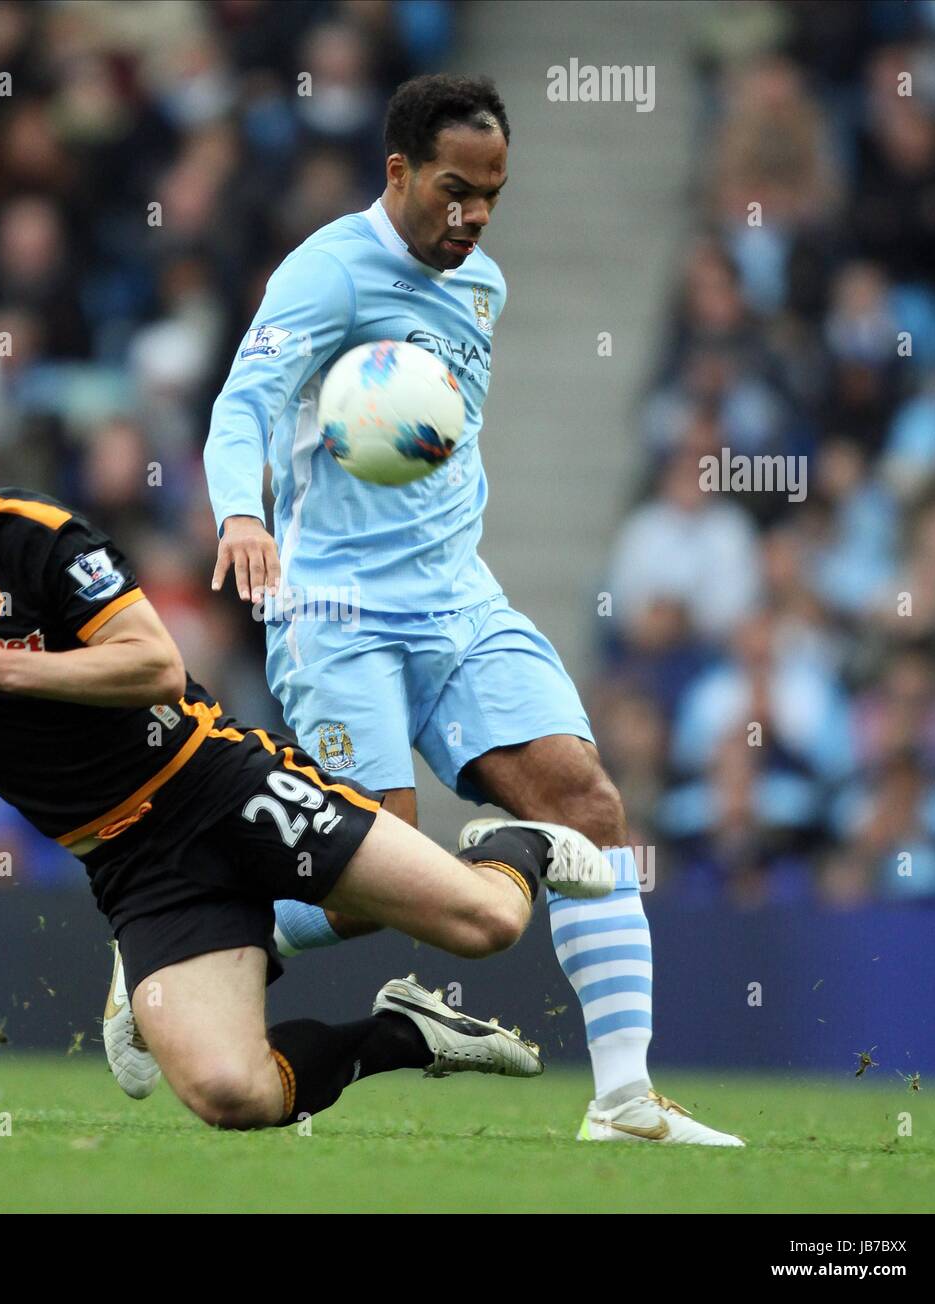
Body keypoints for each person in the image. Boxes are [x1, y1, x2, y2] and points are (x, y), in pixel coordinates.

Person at [0, 373, 616, 1131]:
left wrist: (7, 668)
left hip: (218, 785)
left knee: (489, 925)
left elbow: (157, 666)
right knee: (228, 1095)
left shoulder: (40, 541)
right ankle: (407, 1033)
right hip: (132, 865)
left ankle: (523, 842)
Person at [117, 72, 742, 1145]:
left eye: (492, 194)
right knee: (375, 872)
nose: (474, 216)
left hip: (460, 599)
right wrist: (239, 515)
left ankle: (625, 1099)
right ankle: (169, 956)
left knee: (587, 806)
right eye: (455, 190)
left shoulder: (481, 285)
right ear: (398, 171)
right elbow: (242, 405)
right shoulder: (324, 273)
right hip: (338, 609)